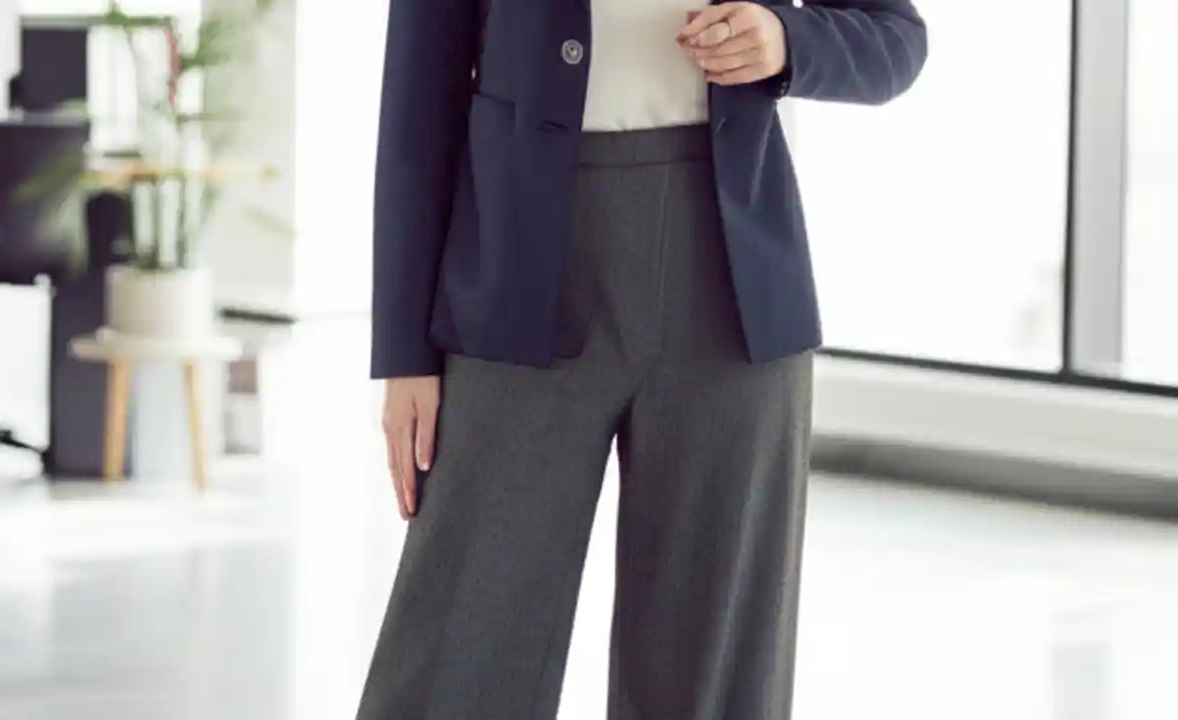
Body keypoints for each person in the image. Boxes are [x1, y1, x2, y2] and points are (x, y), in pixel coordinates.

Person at [360, 0, 927, 717]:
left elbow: (897, 39)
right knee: (459, 640)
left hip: (732, 288)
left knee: (716, 671)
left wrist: (787, 41)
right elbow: (416, 105)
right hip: (513, 276)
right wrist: (404, 353)